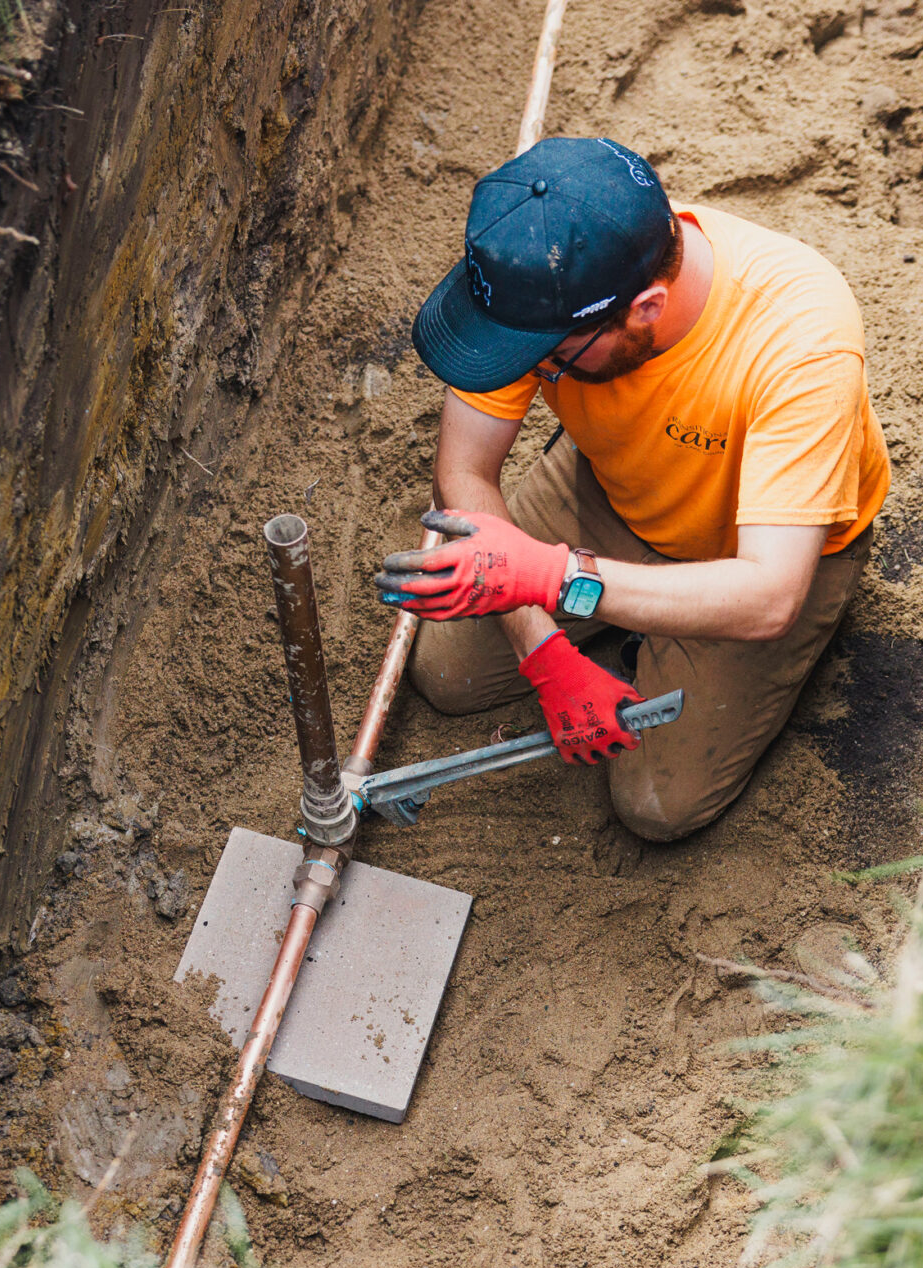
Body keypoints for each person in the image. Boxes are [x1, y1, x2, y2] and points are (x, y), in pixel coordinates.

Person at [375, 136, 890, 842]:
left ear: (646, 308)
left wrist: (558, 581)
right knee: (446, 674)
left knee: (653, 804)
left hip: (757, 553)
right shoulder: (543, 269)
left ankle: (662, 638)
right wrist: (544, 652)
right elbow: (465, 471)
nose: (533, 369)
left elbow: (769, 595)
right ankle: (622, 626)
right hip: (614, 489)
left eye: (551, 360)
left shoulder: (800, 343)